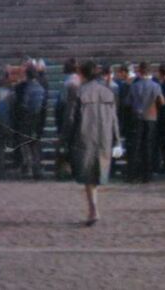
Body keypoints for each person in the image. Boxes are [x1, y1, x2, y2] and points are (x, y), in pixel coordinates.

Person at [65, 61, 120, 227]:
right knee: (94, 175)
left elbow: (70, 119)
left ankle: (93, 209)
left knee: (89, 176)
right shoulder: (107, 92)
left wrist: (64, 141)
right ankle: (93, 209)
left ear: (82, 74)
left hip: (84, 137)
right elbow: (114, 118)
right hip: (104, 138)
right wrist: (117, 140)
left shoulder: (78, 92)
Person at [126, 61, 163, 183]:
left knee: (136, 146)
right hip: (151, 117)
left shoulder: (134, 86)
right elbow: (162, 101)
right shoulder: (155, 86)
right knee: (148, 145)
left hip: (137, 117)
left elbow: (128, 102)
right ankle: (147, 174)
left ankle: (133, 173)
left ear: (140, 72)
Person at [15, 62, 48, 178]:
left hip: (28, 118)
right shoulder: (40, 87)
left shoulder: (28, 88)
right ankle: (37, 167)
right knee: (35, 144)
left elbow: (24, 104)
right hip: (38, 119)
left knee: (25, 142)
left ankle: (28, 165)